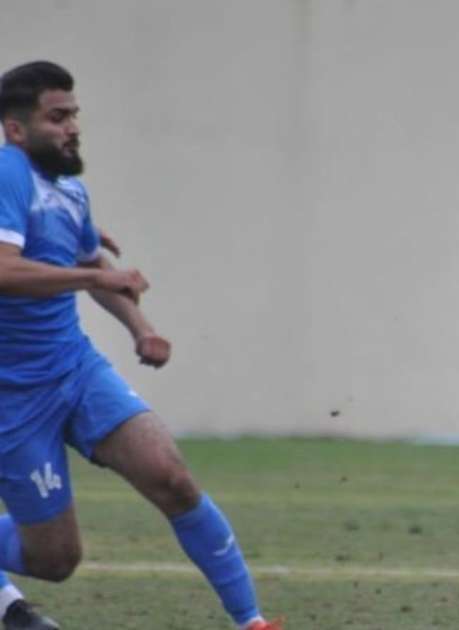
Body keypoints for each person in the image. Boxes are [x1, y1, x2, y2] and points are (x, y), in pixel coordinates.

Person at [0, 61, 282, 629]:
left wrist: (140, 328)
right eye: (57, 117)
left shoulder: (70, 190)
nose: (73, 127)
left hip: (75, 369)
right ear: (15, 129)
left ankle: (251, 622)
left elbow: (93, 266)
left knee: (170, 476)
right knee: (56, 559)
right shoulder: (8, 172)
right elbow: (5, 270)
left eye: (74, 114)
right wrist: (93, 277)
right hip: (14, 394)